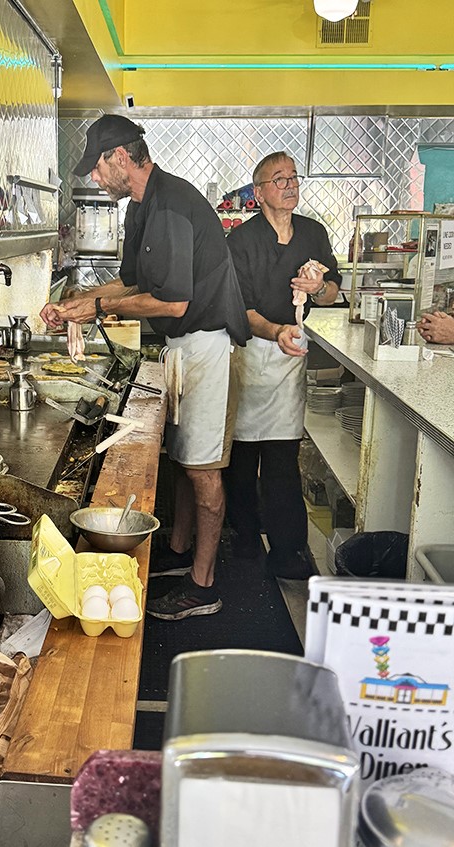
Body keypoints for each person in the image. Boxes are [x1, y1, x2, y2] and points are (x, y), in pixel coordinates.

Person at [40, 114, 250, 620]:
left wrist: (99, 309)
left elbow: (174, 303)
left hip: (209, 347)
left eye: (97, 168)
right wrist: (79, 303)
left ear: (119, 157)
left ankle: (203, 586)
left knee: (203, 470)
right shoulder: (139, 208)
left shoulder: (173, 205)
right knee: (182, 457)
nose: (94, 179)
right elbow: (133, 285)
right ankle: (177, 554)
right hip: (184, 348)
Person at [224, 151, 341, 580]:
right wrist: (275, 332)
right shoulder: (241, 241)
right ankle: (246, 538)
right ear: (259, 193)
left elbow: (332, 293)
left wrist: (319, 286)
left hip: (291, 355)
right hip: (252, 351)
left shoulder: (313, 233)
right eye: (279, 179)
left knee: (282, 455)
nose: (290, 185)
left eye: (293, 177)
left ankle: (288, 550)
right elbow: (240, 308)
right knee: (241, 456)